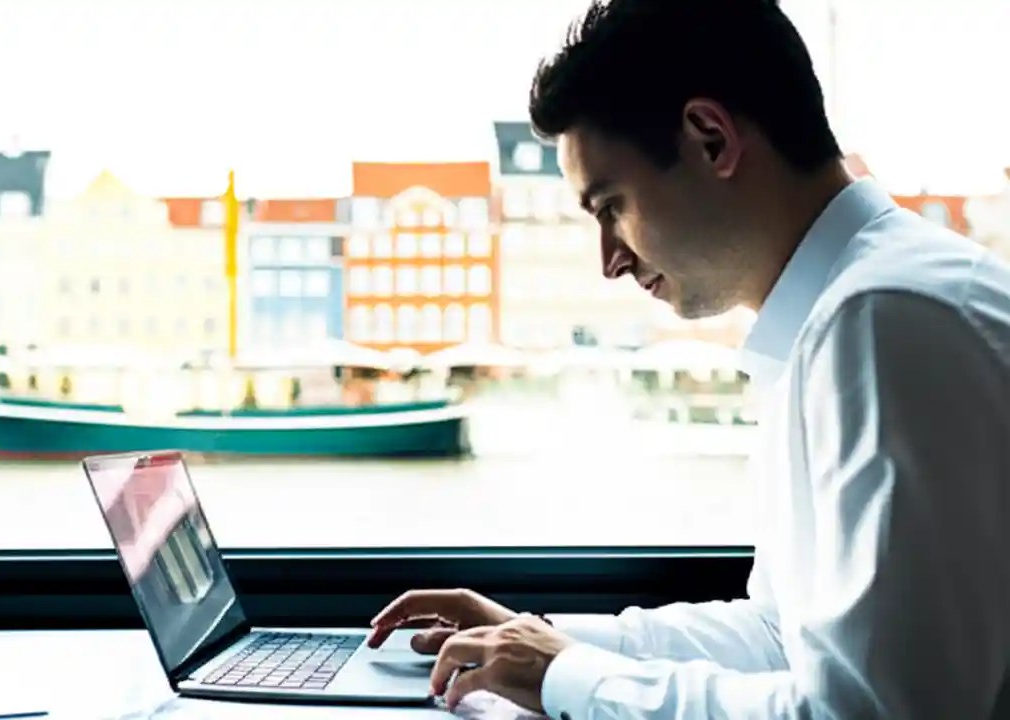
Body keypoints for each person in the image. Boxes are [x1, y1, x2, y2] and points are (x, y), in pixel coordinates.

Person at [368, 1, 1010, 717]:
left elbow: (864, 712)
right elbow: (782, 637)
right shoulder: (848, 315)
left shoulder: (883, 320)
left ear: (711, 140)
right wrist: (535, 642)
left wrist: (564, 675)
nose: (609, 260)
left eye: (611, 206)